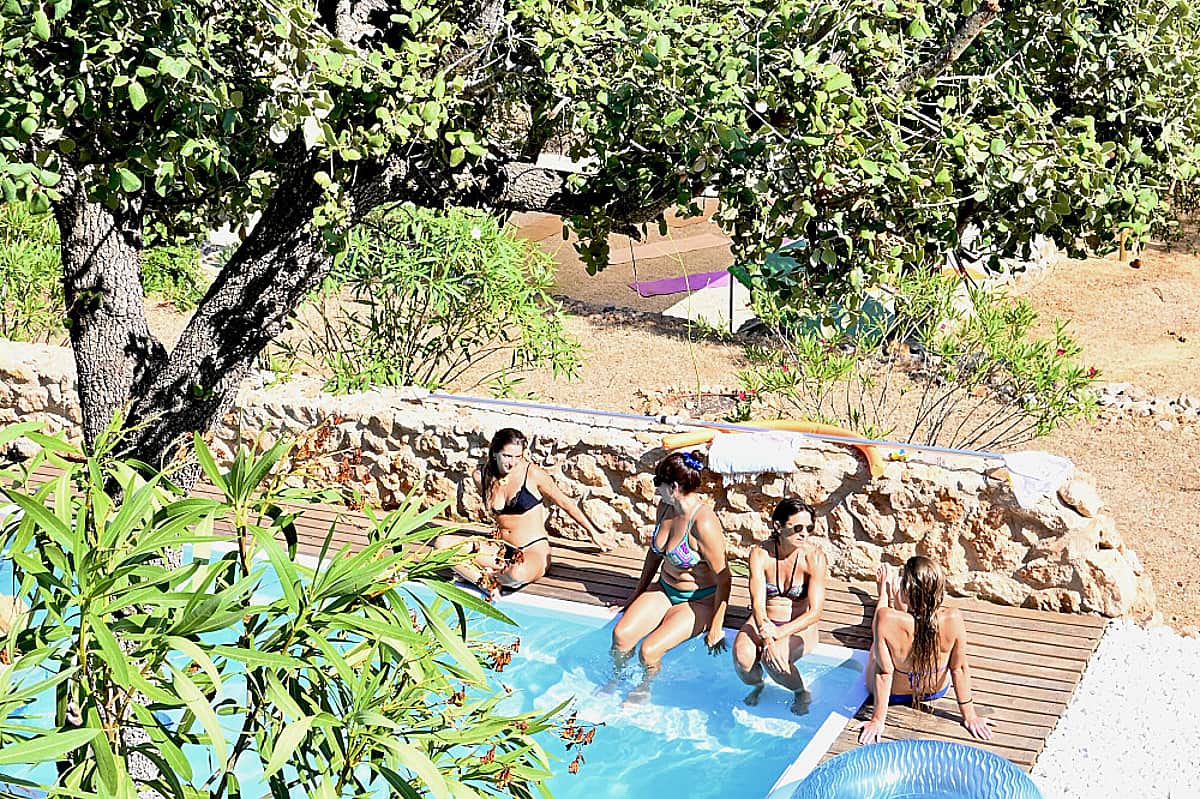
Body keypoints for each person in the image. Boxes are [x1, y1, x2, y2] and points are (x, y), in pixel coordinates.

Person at [608, 450, 732, 702]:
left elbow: (725, 578)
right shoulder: (666, 508)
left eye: (658, 483)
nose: (656, 489)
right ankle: (615, 679)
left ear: (674, 487)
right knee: (621, 636)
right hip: (664, 589)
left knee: (648, 651)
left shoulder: (703, 524)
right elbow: (654, 555)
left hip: (698, 600)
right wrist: (635, 595)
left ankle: (644, 687)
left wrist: (716, 626)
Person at [435, 428, 609, 600]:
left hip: (531, 550)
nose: (513, 462)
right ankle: (487, 583)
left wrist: (593, 533)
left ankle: (479, 575)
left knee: (516, 573)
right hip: (500, 549)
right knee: (442, 544)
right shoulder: (481, 475)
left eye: (518, 456)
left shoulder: (532, 474)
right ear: (495, 453)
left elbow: (565, 502)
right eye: (507, 456)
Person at [857, 556, 994, 744]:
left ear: (906, 590)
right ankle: (900, 604)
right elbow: (959, 669)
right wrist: (970, 716)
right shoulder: (953, 618)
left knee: (878, 639)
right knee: (903, 625)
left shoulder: (886, 618)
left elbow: (884, 673)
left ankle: (885, 594)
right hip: (934, 691)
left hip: (894, 695)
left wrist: (877, 720)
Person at [733, 498, 828, 713]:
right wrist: (768, 636)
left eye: (809, 528)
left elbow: (815, 612)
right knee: (742, 661)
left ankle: (801, 691)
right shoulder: (760, 554)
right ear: (778, 526)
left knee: (775, 662)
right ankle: (759, 685)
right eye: (798, 528)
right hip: (764, 620)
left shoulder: (814, 558)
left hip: (799, 624)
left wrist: (780, 633)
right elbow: (757, 603)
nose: (805, 534)